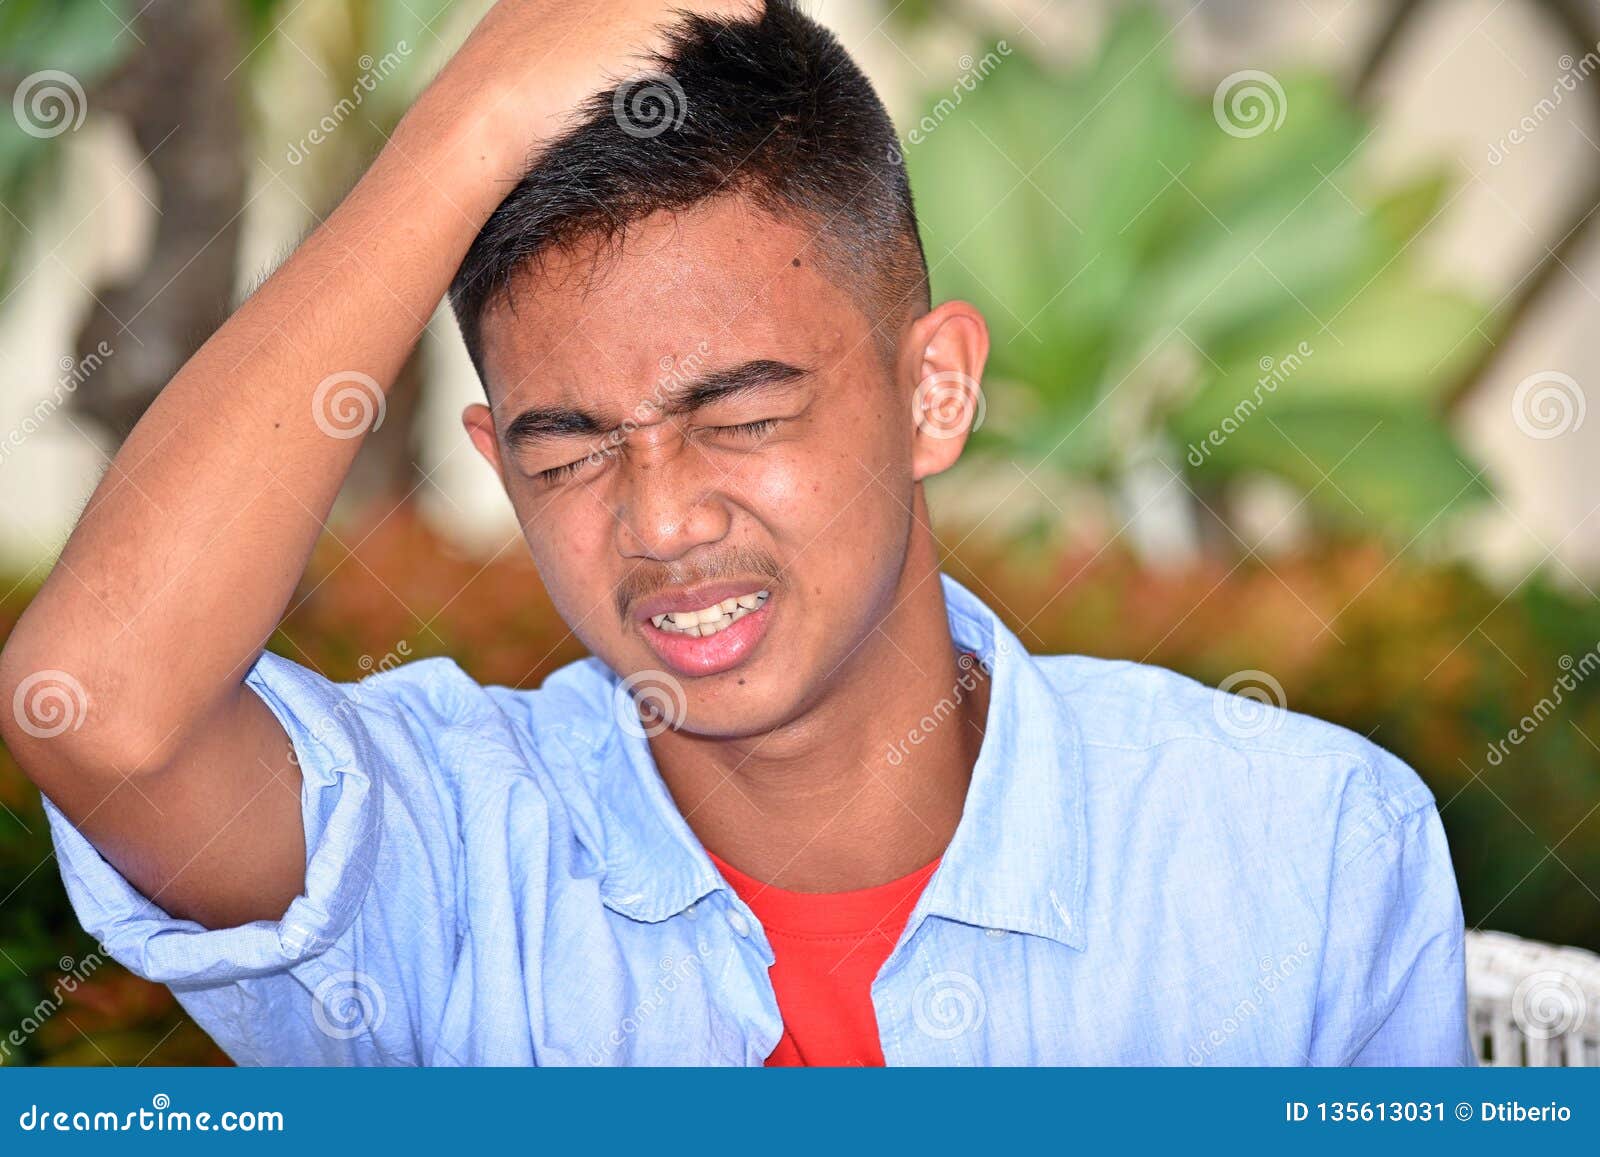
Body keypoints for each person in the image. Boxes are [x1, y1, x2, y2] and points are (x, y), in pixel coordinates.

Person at [0, 0, 1473, 1066]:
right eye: (568, 447)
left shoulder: (1299, 850)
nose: (661, 517)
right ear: (497, 469)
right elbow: (99, 712)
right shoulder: (453, 861)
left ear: (933, 389)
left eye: (742, 413)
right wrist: (466, 124)